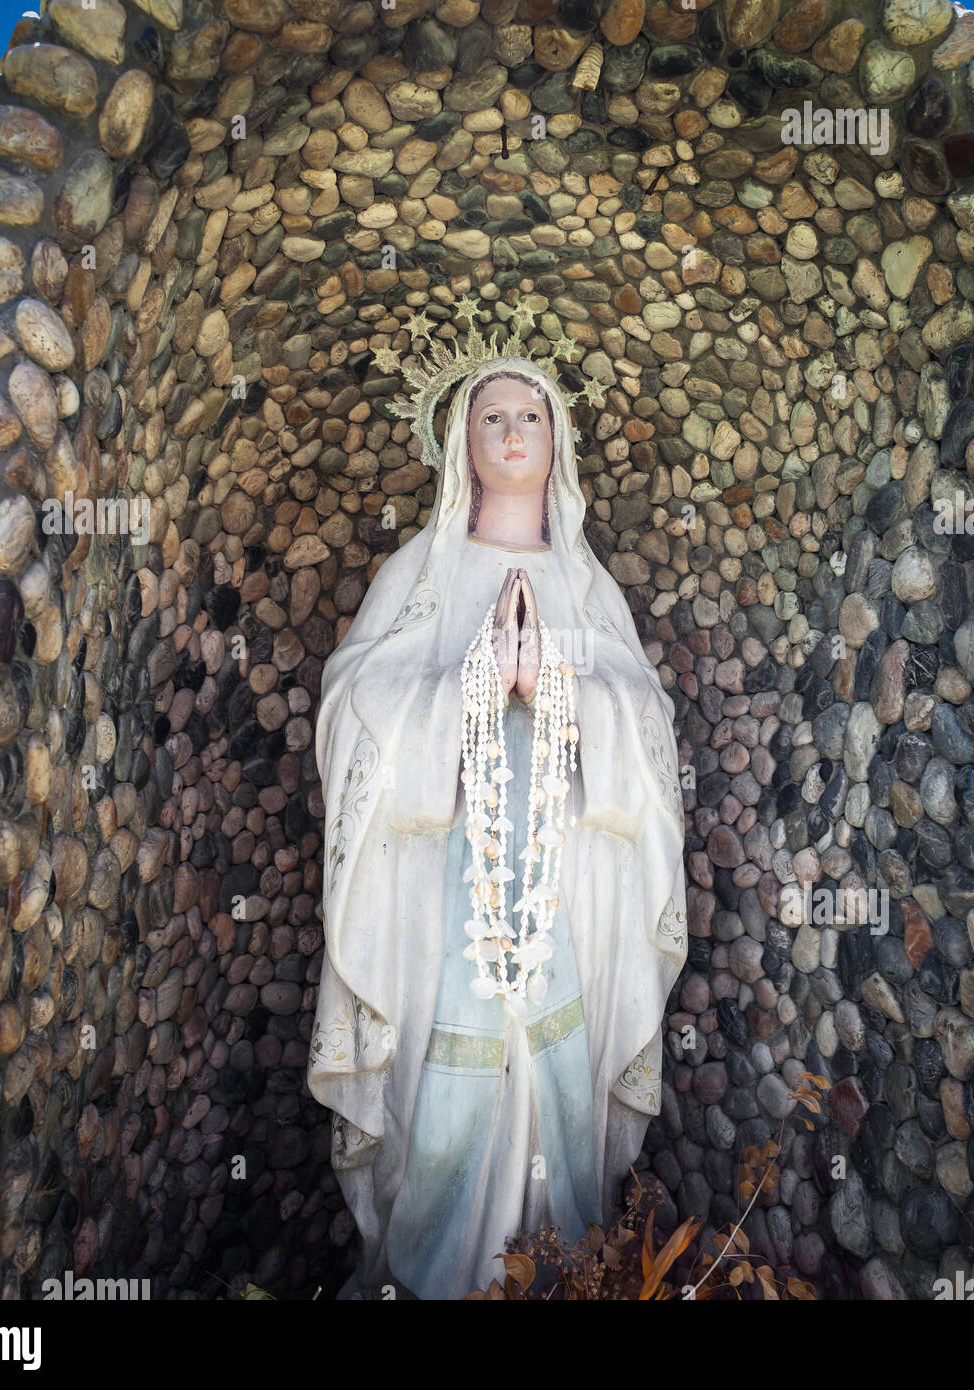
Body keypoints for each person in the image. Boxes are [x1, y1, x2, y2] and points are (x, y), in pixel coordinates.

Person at [307, 353, 686, 1298]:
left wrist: (559, 690)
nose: (513, 432)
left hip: (569, 885)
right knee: (450, 1070)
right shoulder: (422, 574)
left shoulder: (589, 589)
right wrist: (468, 688)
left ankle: (556, 1267)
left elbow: (648, 724)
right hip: (447, 890)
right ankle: (431, 1273)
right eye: (492, 417)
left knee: (555, 1059)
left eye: (531, 416)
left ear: (558, 443)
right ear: (459, 445)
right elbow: (347, 705)